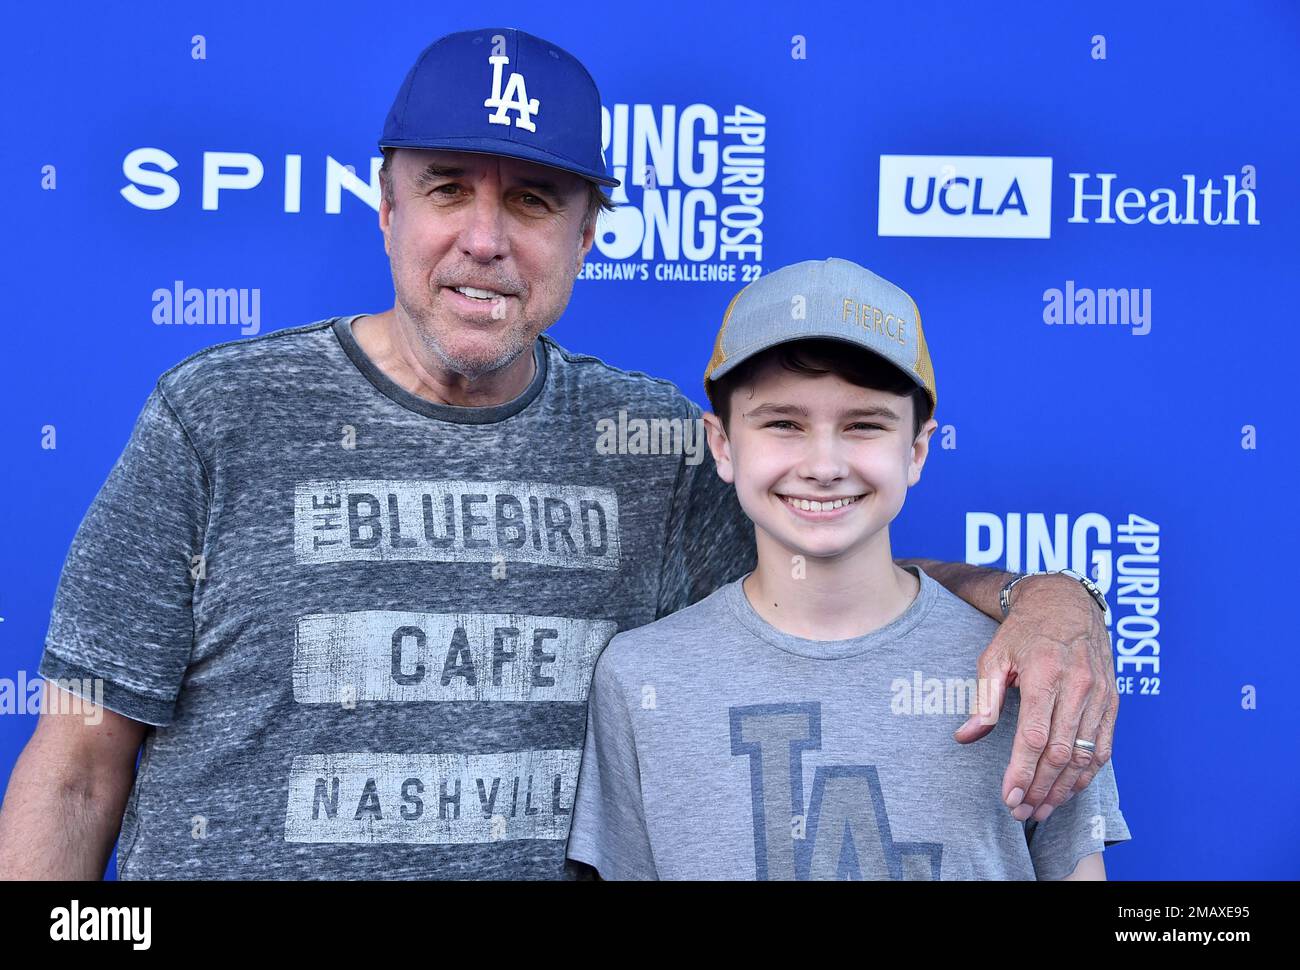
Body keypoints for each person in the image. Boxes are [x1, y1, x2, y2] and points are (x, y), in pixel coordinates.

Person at [0, 28, 1116, 881]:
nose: (484, 237)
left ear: (586, 236)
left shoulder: (656, 450)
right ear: (384, 206)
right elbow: (78, 761)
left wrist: (1045, 596)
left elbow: (831, 581)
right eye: (447, 188)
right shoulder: (214, 414)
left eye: (532, 199)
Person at [566, 258, 1131, 880]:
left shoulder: (1033, 666)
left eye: (864, 426)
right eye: (784, 424)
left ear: (916, 449)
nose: (824, 463)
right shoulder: (640, 676)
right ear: (723, 445)